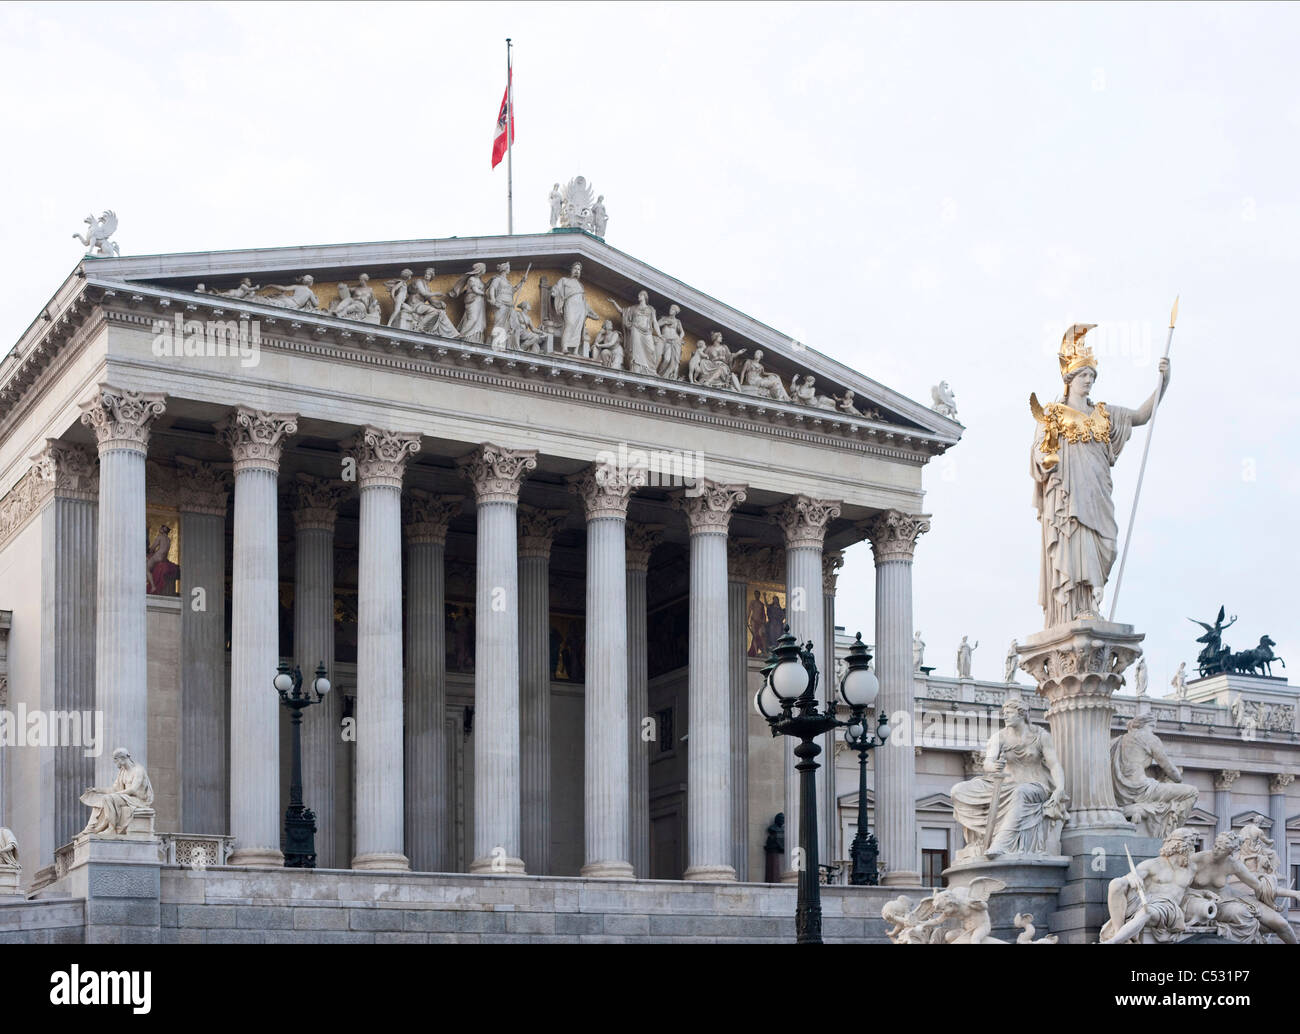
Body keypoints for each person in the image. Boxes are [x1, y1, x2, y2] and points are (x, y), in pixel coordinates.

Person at [1031, 325, 1171, 626]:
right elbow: (1037, 453)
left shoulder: (1104, 415)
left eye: (1092, 377)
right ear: (1070, 379)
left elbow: (1141, 416)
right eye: (1084, 376)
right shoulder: (1054, 415)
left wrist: (1163, 382)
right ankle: (1074, 609)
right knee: (1073, 546)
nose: (1089, 381)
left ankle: (1091, 606)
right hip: (1068, 496)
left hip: (1096, 494)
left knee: (1106, 543)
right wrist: (1046, 459)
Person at [950, 698, 1068, 860]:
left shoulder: (1040, 736)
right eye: (1004, 714)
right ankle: (980, 840)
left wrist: (1060, 788)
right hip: (1004, 784)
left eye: (1009, 713)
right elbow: (988, 762)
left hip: (1034, 785)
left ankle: (1002, 842)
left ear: (1022, 715)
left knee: (1020, 792)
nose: (1005, 717)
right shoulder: (999, 737)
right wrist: (993, 767)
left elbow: (1054, 764)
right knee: (958, 790)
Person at [1100, 830, 1196, 943]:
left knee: (1147, 911)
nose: (1192, 851)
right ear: (1180, 847)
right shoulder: (1153, 864)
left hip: (1170, 908)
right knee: (1116, 883)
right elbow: (1136, 875)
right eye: (1190, 847)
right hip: (1148, 900)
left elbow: (1199, 884)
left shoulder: (1192, 868)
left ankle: (1113, 942)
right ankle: (1119, 934)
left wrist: (1205, 894)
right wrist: (1131, 877)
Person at [81, 748, 154, 835]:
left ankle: (111, 828)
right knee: (100, 800)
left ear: (122, 758)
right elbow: (114, 789)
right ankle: (91, 828)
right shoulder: (123, 772)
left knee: (108, 799)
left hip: (138, 800)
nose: (116, 764)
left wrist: (115, 794)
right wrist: (97, 790)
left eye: (116, 761)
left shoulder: (138, 770)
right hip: (127, 798)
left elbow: (133, 789)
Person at [550, 263, 597, 355]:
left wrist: (591, 312)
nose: (577, 271)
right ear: (571, 270)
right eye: (575, 269)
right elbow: (556, 290)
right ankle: (564, 347)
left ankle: (575, 350)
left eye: (578, 270)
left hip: (580, 308)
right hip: (570, 304)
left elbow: (584, 301)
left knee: (579, 328)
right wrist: (554, 292)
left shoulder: (581, 286)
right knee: (570, 324)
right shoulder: (564, 280)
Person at [449, 263, 488, 343]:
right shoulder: (471, 279)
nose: (485, 270)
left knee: (481, 322)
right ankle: (462, 336)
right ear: (480, 270)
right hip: (472, 301)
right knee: (472, 319)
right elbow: (475, 290)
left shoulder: (480, 281)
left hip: (479, 302)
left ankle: (475, 339)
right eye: (484, 268)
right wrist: (484, 294)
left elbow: (485, 288)